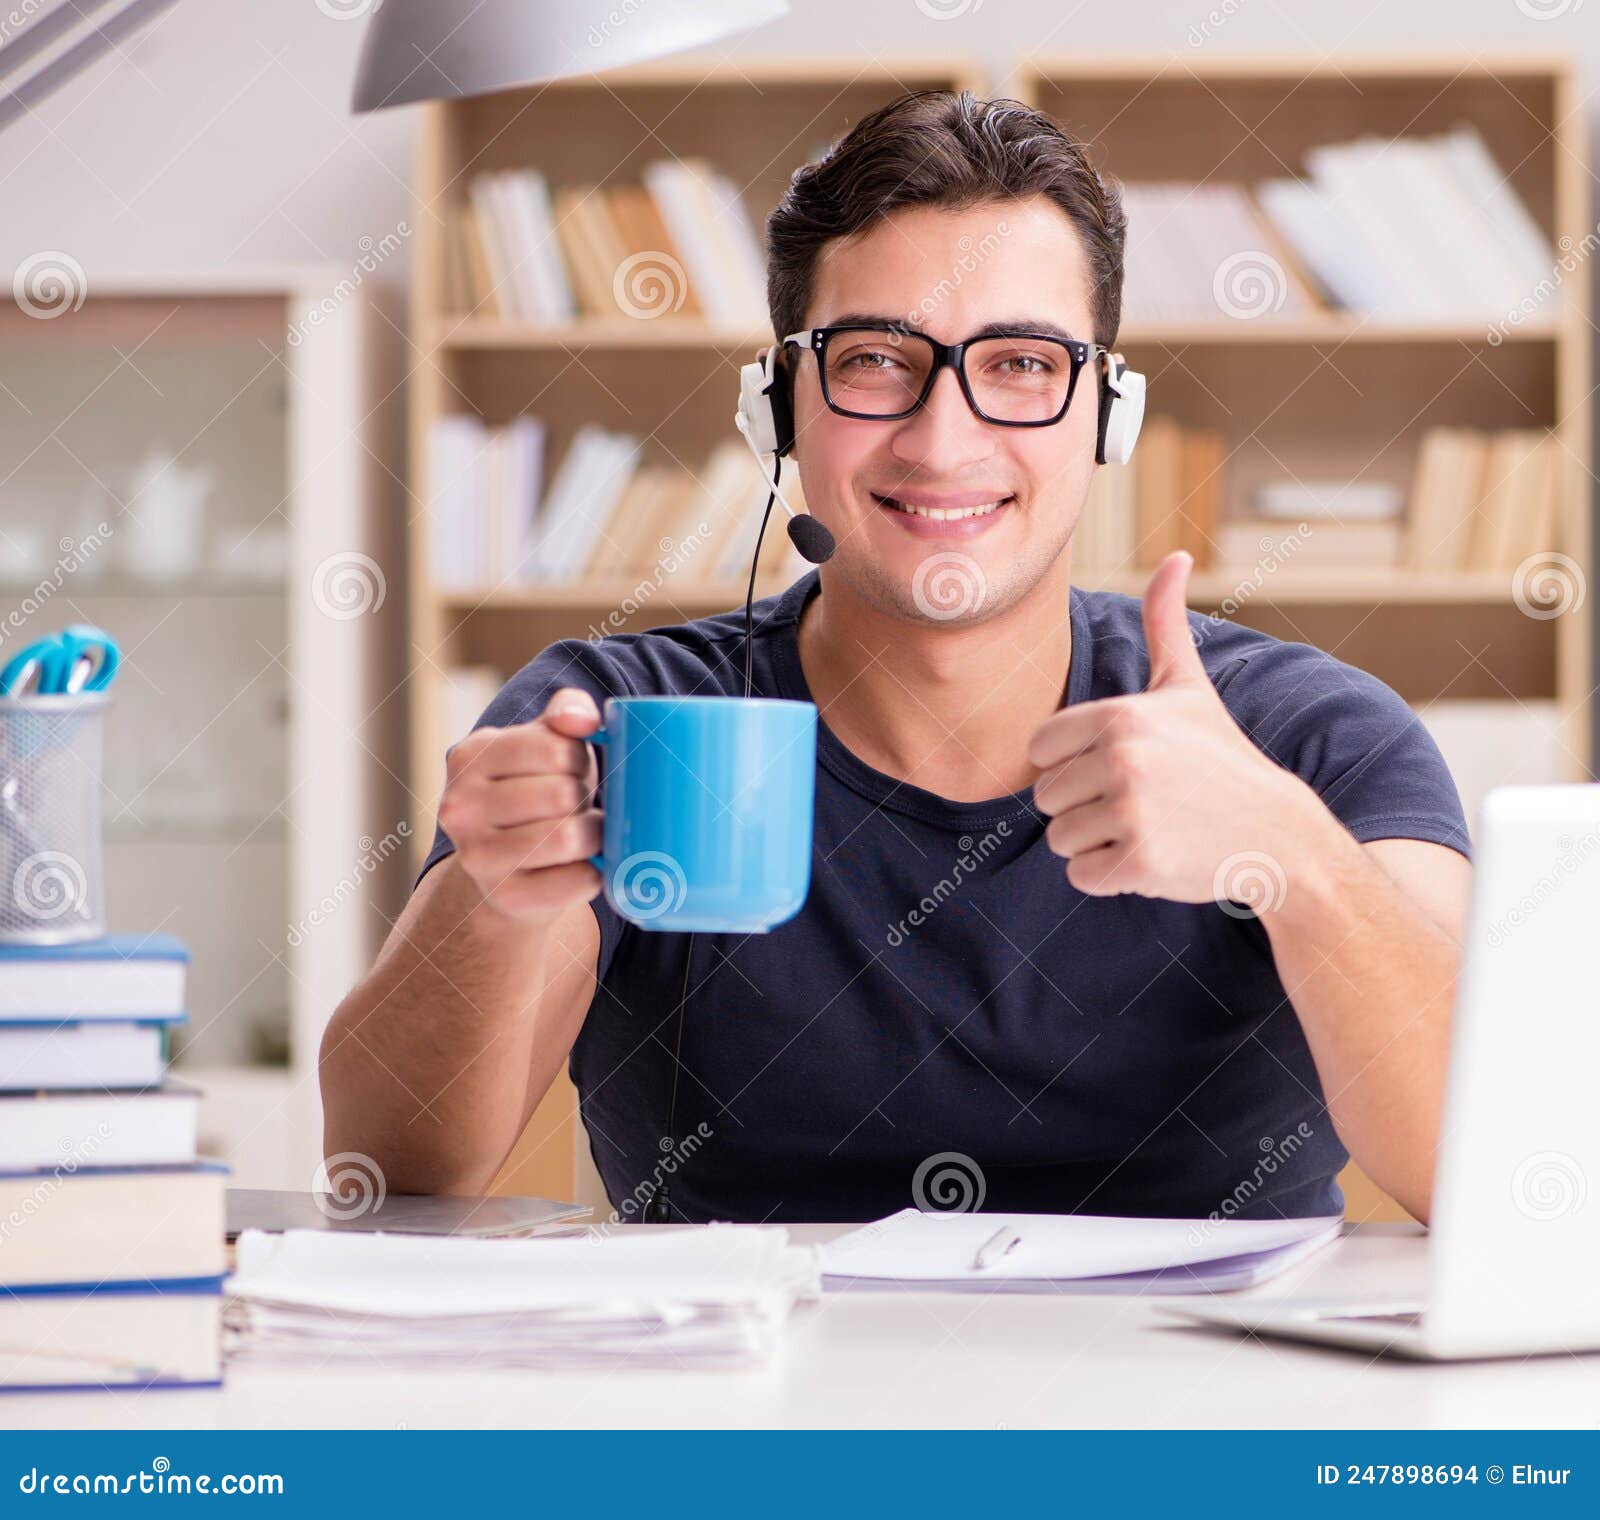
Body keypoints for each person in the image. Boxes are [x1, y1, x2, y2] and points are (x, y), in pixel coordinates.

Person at [321, 91, 1470, 1225]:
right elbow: (388, 1168)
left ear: (1106, 414)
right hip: (750, 1403)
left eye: (1020, 363)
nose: (942, 438)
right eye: (874, 358)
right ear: (779, 403)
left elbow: (1489, 1164)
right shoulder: (622, 720)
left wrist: (1291, 853)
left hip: (1205, 1408)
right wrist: (489, 891)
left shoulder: (1306, 733)